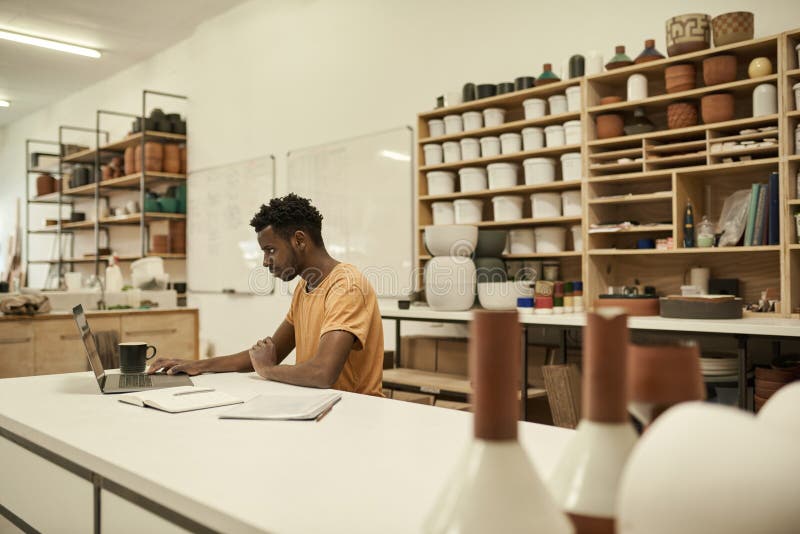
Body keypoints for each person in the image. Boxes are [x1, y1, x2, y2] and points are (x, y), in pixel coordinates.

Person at [148, 194, 385, 396]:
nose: (264, 262)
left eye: (270, 250)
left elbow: (321, 373)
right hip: (322, 407)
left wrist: (267, 370)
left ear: (299, 240)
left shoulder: (347, 286)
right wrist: (197, 365)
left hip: (355, 414)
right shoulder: (305, 288)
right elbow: (265, 355)